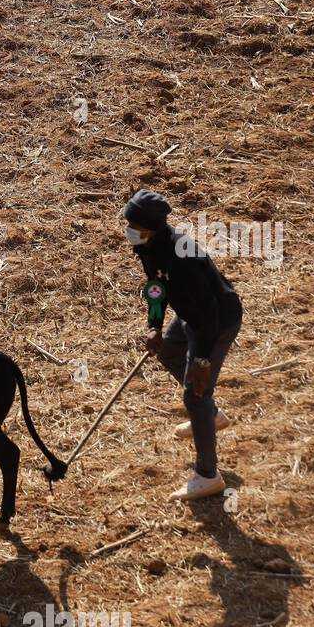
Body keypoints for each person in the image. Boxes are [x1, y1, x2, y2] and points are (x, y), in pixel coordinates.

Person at [124, 189, 243, 500]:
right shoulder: (150, 246)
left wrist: (202, 363)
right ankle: (211, 416)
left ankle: (208, 476)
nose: (129, 231)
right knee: (170, 352)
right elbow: (156, 288)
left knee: (196, 395)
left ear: (151, 226)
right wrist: (154, 326)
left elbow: (209, 314)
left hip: (215, 323)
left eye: (135, 225)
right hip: (191, 317)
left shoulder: (181, 254)